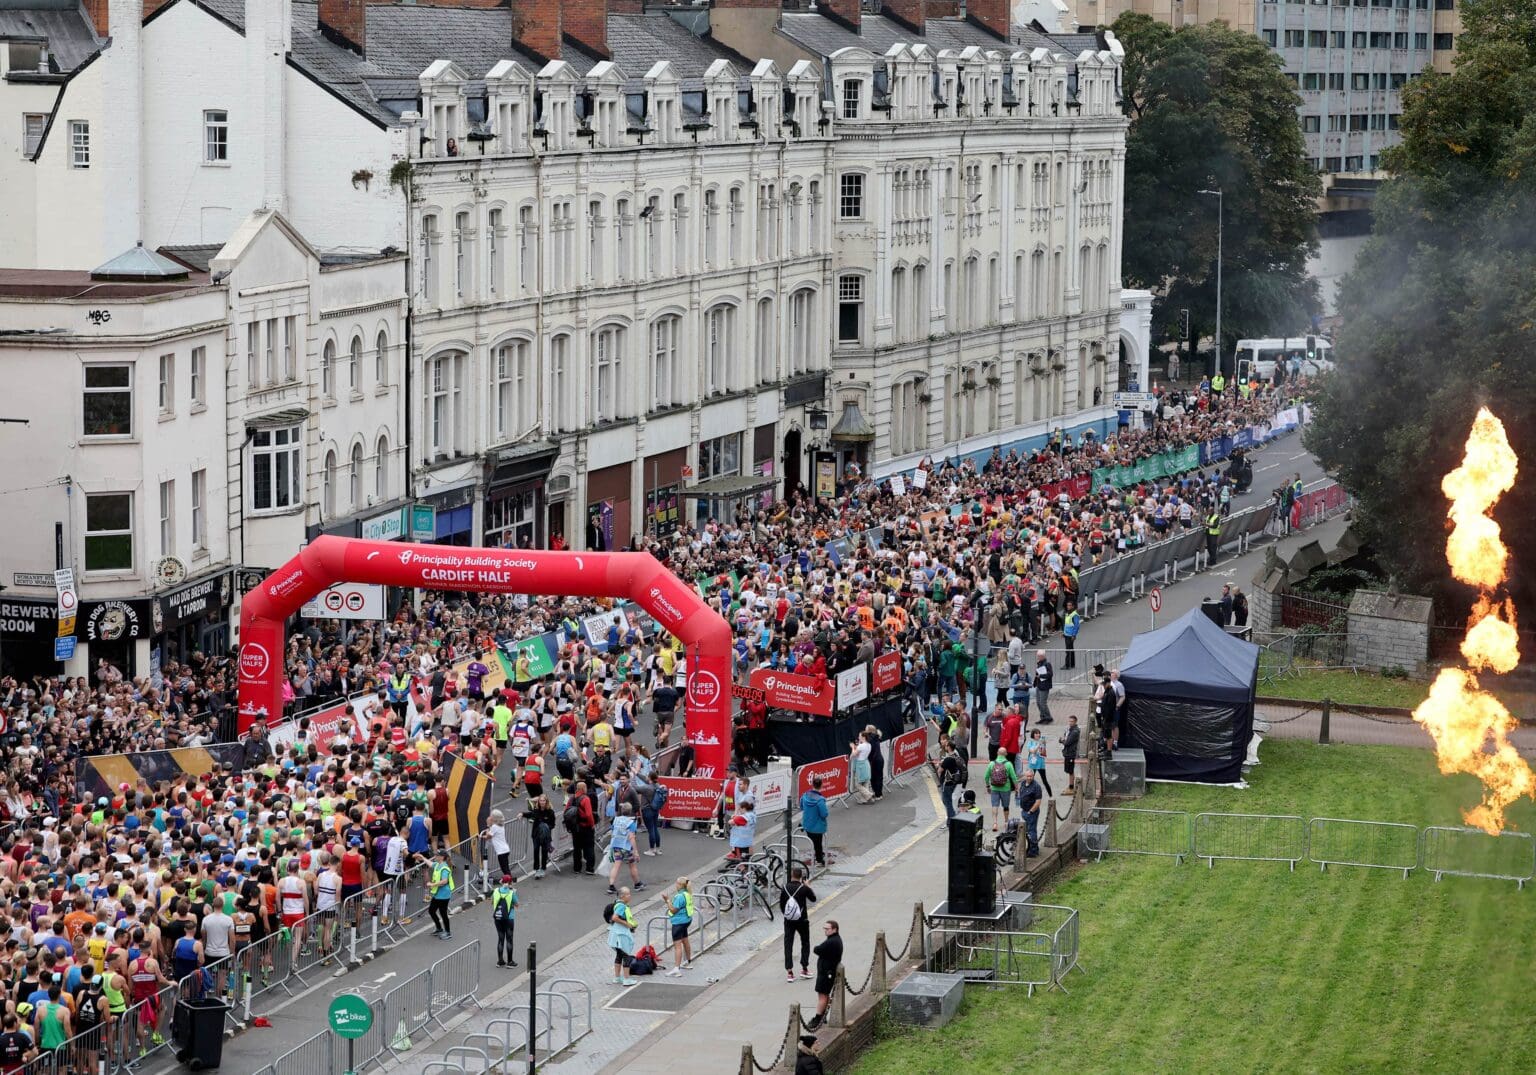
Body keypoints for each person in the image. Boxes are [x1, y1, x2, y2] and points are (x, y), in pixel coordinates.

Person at [779, 865, 817, 983]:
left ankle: (789, 972)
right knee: (805, 942)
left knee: (788, 943)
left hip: (789, 921)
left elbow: (781, 905)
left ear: (791, 876)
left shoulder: (784, 888)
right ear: (801, 877)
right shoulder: (803, 888)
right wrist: (808, 886)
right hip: (802, 920)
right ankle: (804, 968)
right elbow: (813, 899)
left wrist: (788, 915)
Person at [805, 919, 842, 1031]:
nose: (825, 931)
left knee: (822, 995)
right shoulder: (835, 939)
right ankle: (823, 1016)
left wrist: (817, 948)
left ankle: (818, 1018)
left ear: (834, 929)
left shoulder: (832, 942)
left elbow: (817, 949)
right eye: (824, 928)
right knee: (824, 995)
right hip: (827, 972)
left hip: (826, 973)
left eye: (827, 929)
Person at [606, 802, 645, 894]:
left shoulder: (616, 819)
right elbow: (631, 837)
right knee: (632, 865)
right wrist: (635, 851)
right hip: (626, 847)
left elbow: (613, 830)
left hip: (616, 845)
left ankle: (611, 886)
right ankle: (637, 884)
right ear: (630, 811)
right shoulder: (632, 822)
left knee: (616, 865)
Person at [565, 781, 598, 875]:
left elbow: (566, 811)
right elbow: (588, 814)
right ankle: (589, 868)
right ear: (584, 789)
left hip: (575, 828)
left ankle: (577, 868)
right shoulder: (585, 799)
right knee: (589, 847)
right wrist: (592, 825)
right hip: (585, 827)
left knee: (577, 848)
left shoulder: (571, 798)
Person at [607, 887, 639, 987]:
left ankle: (617, 977)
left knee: (619, 955)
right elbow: (615, 917)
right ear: (622, 896)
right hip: (621, 935)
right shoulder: (621, 906)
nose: (630, 896)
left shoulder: (618, 904)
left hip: (615, 934)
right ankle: (626, 979)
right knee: (626, 956)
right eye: (628, 894)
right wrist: (626, 924)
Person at [665, 878, 694, 977]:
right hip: (687, 920)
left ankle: (676, 968)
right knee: (685, 940)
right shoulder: (688, 894)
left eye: (677, 883)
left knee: (677, 946)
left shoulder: (679, 897)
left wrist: (667, 900)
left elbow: (673, 910)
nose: (675, 885)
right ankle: (688, 961)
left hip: (678, 922)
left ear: (681, 885)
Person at [799, 777, 830, 867]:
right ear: (821, 785)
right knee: (818, 844)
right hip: (817, 827)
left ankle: (818, 855)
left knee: (814, 843)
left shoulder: (804, 796)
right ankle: (819, 860)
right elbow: (824, 814)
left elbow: (801, 807)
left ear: (812, 784)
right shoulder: (820, 800)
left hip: (807, 825)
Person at [983, 752, 1016, 833]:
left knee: (994, 805)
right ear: (1005, 754)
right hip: (1005, 788)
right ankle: (1006, 822)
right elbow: (1014, 777)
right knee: (1006, 806)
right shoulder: (1008, 764)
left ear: (997, 753)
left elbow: (986, 776)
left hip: (994, 788)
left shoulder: (992, 763)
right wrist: (1017, 788)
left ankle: (995, 823)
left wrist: (988, 786)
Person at [491, 875, 519, 968]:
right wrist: (513, 891)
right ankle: (510, 962)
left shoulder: (495, 891)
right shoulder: (511, 893)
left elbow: (492, 902)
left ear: (501, 881)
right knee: (509, 939)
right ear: (511, 883)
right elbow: (517, 904)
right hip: (509, 918)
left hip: (498, 918)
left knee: (500, 938)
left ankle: (500, 961)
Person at [934, 736, 965, 819]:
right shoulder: (956, 756)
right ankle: (951, 817)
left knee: (947, 801)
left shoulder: (948, 759)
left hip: (947, 783)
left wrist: (938, 767)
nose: (945, 747)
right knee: (947, 801)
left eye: (946, 745)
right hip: (954, 782)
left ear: (949, 747)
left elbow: (940, 771)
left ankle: (951, 820)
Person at [428, 847, 455, 940]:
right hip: (437, 894)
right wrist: (421, 857)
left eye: (437, 855)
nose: (435, 856)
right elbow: (430, 863)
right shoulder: (437, 864)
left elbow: (444, 881)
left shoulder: (444, 868)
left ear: (442, 857)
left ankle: (448, 932)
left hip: (443, 895)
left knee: (443, 914)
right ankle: (439, 928)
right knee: (431, 911)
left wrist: (432, 884)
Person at [1018, 769, 1042, 858]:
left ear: (1033, 776)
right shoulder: (1023, 783)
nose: (1029, 778)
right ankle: (1031, 847)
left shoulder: (1036, 786)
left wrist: (1031, 811)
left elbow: (1038, 801)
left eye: (1030, 776)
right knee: (1028, 831)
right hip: (1024, 811)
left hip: (1031, 812)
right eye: (1027, 776)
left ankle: (1033, 851)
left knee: (1032, 831)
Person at [727, 796, 758, 861]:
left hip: (739, 842)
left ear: (744, 808)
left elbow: (730, 822)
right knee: (746, 858)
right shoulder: (752, 815)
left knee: (739, 860)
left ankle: (742, 869)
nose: (739, 810)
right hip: (748, 841)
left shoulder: (741, 818)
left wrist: (734, 817)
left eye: (740, 809)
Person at [1026, 727, 1053, 797]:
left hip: (1041, 763)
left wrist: (1043, 745)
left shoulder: (1042, 742)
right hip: (1032, 764)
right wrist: (1039, 744)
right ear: (1033, 735)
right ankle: (1028, 795)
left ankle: (1051, 796)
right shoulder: (1030, 742)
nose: (1038, 735)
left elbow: (1043, 753)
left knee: (1045, 781)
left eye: (1039, 733)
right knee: (1030, 780)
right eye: (1036, 733)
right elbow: (1033, 751)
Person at [849, 734, 874, 804]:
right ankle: (864, 799)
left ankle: (869, 794)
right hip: (866, 763)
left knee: (858, 784)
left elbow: (853, 755)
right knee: (865, 782)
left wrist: (853, 747)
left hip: (860, 765)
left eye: (859, 736)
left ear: (863, 737)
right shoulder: (869, 745)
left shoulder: (861, 746)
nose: (858, 737)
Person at [1059, 715, 1081, 795]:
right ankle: (1071, 786)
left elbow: (1067, 742)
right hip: (1067, 752)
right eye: (1069, 721)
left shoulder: (1075, 731)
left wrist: (1062, 741)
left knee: (1070, 770)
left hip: (1071, 753)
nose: (1070, 723)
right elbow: (1063, 737)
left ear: (1075, 722)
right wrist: (1062, 740)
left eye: (1072, 721)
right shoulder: (1069, 729)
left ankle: (1071, 788)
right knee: (1069, 770)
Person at [1033, 650, 1054, 725]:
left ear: (1043, 656)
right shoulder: (1040, 663)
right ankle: (1043, 717)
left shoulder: (1047, 664)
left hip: (1044, 686)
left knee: (1042, 703)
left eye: (1039, 656)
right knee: (1039, 702)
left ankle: (1048, 717)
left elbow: (1050, 674)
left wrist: (1041, 676)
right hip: (1039, 685)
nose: (1037, 657)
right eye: (1037, 656)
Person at [864, 725, 885, 801]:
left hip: (874, 760)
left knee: (873, 778)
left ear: (869, 731)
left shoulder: (870, 739)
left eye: (865, 729)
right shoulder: (876, 737)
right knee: (879, 777)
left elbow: (869, 750)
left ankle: (877, 794)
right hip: (879, 759)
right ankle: (879, 794)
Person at [1062, 602, 1080, 670]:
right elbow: (1066, 625)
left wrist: (1074, 635)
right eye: (1067, 605)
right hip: (1067, 634)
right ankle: (1072, 664)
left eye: (1069, 605)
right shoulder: (1067, 614)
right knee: (1071, 649)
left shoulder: (1074, 615)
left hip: (1070, 635)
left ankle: (1067, 665)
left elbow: (1076, 626)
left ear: (1073, 606)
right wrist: (1064, 633)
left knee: (1068, 650)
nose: (1068, 607)